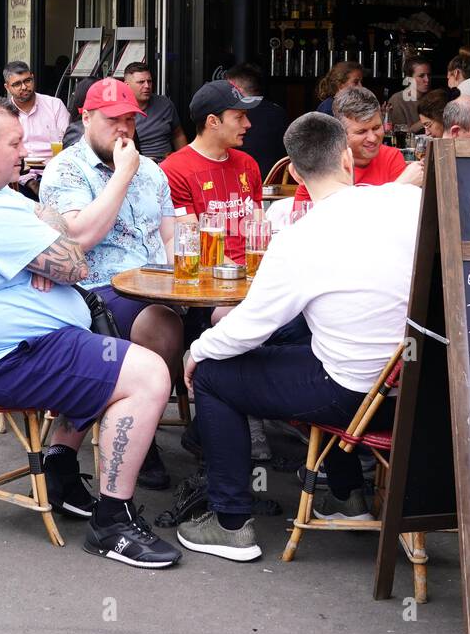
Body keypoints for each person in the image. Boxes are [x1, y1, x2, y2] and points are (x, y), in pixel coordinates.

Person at [0, 95, 181, 567]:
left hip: (4, 351)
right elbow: (75, 260)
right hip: (8, 360)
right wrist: (55, 256)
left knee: (105, 352)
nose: (24, 151)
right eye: (14, 143)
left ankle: (59, 471)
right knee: (149, 374)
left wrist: (46, 248)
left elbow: (48, 223)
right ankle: (112, 522)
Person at [176, 112, 422, 560]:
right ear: (347, 158)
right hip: (421, 393)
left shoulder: (296, 238)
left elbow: (250, 327)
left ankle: (230, 522)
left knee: (213, 374)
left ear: (293, 170)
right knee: (299, 346)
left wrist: (195, 351)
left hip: (354, 396)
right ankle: (346, 496)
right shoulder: (408, 204)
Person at [39, 78, 182, 490]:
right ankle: (143, 432)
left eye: (130, 121)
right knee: (161, 324)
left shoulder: (152, 169)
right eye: (112, 120)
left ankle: (219, 452)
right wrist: (121, 176)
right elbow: (79, 236)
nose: (123, 129)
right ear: (85, 117)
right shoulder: (67, 168)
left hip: (161, 284)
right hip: (99, 290)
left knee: (224, 320)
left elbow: (170, 235)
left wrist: (188, 280)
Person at [160, 79, 263, 265]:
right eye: (239, 117)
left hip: (256, 273)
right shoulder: (174, 169)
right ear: (213, 121)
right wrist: (240, 276)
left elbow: (259, 230)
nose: (248, 124)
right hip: (210, 277)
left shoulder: (248, 164)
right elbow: (192, 243)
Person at [293, 86, 422, 204]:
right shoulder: (323, 164)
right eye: (362, 132)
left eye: (377, 127)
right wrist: (400, 186)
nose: (372, 138)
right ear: (341, 134)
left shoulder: (391, 157)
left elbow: (402, 214)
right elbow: (303, 220)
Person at [3, 60, 69, 165]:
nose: (24, 87)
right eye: (17, 84)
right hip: (18, 172)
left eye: (27, 81)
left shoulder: (55, 105)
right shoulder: (3, 113)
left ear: (33, 78)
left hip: (52, 170)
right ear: (7, 87)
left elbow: (69, 142)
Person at [230, 62, 288, 180]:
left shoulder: (232, 114)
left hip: (239, 182)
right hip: (274, 182)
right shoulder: (278, 112)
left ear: (237, 90)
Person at [123, 61, 187, 162]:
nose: (147, 86)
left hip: (168, 164)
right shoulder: (120, 112)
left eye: (149, 81)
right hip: (138, 166)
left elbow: (178, 134)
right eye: (141, 82)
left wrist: (183, 159)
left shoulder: (165, 104)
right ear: (127, 85)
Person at [385, 57, 431, 133]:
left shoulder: (434, 98)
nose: (427, 80)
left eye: (429, 75)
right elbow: (398, 133)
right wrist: (426, 120)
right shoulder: (397, 100)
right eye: (421, 76)